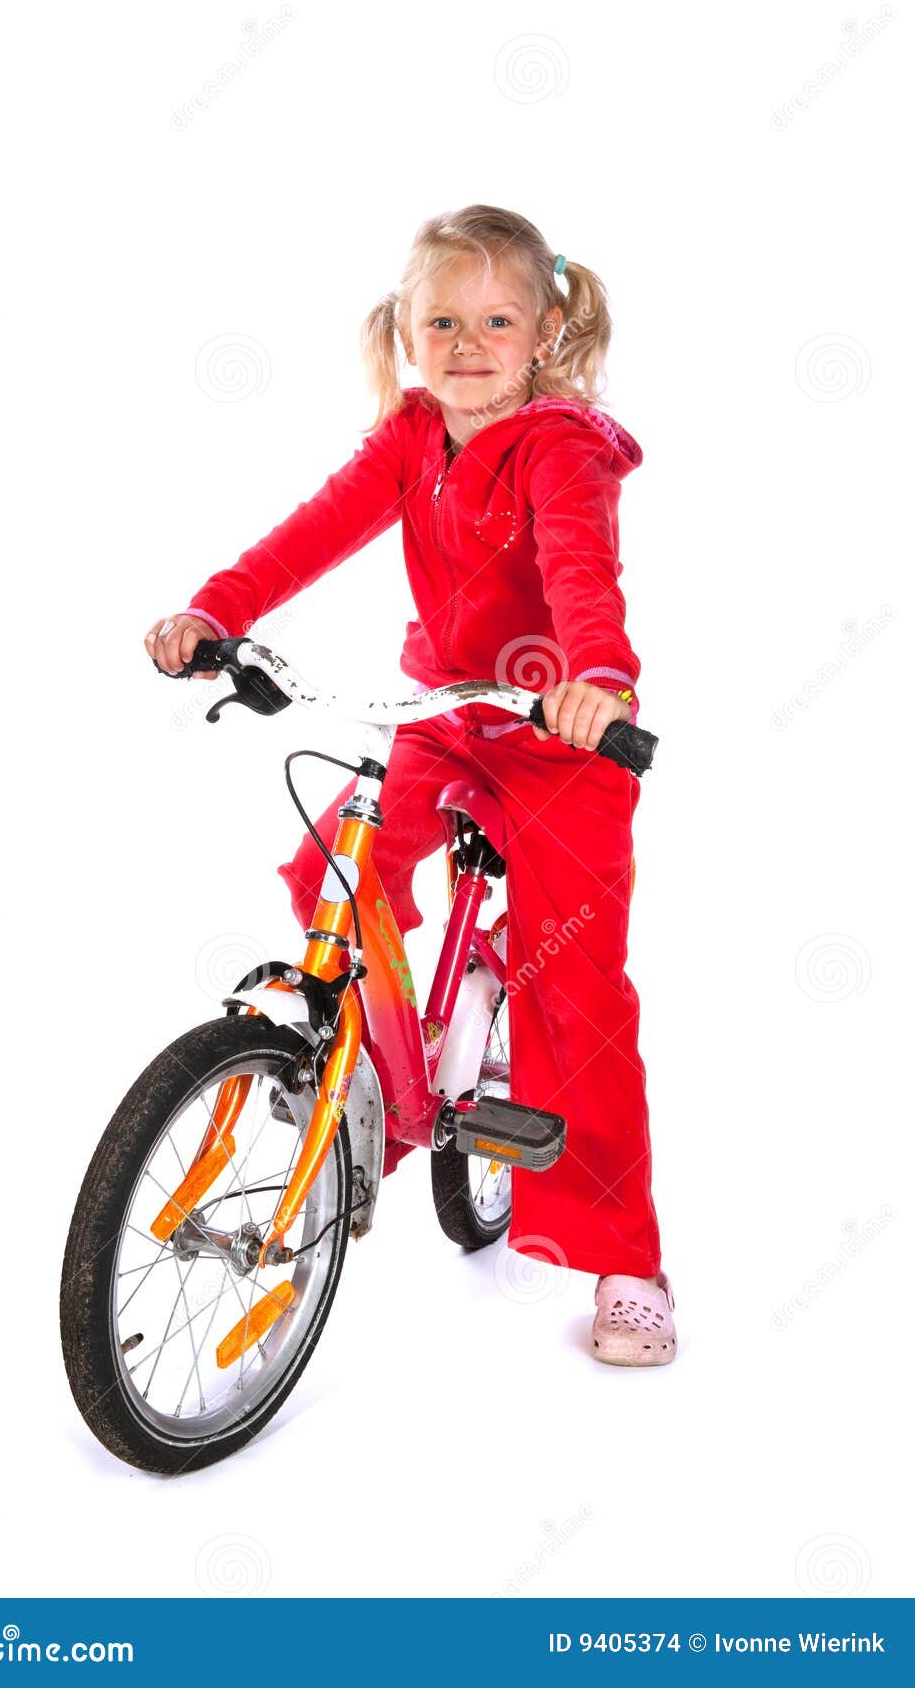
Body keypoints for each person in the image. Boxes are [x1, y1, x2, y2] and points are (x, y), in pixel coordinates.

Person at [145, 204, 677, 1366]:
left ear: (542, 332)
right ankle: (377, 1071)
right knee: (336, 864)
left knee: (575, 995)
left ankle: (625, 1257)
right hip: (442, 713)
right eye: (442, 320)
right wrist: (217, 612)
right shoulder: (410, 435)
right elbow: (309, 534)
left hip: (560, 739)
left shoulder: (560, 447)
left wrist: (599, 678)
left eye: (496, 319)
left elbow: (582, 569)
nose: (468, 342)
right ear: (405, 332)